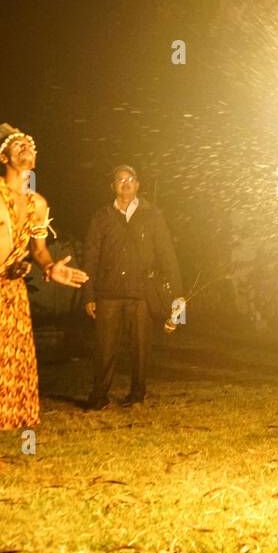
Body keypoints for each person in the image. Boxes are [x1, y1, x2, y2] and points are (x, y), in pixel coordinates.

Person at [0, 124, 88, 473]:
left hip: (14, 290)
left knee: (11, 367)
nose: (27, 150)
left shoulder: (38, 204)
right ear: (3, 157)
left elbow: (38, 250)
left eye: (31, 146)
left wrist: (51, 267)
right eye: (19, 145)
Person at [82, 165, 182, 409]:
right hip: (108, 292)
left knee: (141, 347)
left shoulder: (152, 214)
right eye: (120, 179)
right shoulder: (102, 216)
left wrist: (178, 297)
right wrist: (88, 294)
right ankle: (98, 396)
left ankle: (137, 394)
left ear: (138, 185)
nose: (125, 183)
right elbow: (91, 256)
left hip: (141, 292)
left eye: (130, 179)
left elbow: (167, 254)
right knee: (104, 347)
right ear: (113, 186)